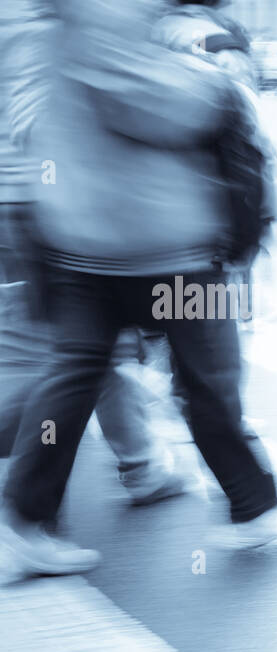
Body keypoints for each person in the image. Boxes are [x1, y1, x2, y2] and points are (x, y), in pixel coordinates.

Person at [0, 0, 277, 576]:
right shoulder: (103, 10)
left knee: (74, 374)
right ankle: (255, 506)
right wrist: (212, 87)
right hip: (158, 241)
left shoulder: (37, 21)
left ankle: (24, 518)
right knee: (211, 376)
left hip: (81, 234)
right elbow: (151, 103)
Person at [0, 0, 188, 510]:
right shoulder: (51, 22)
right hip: (38, 205)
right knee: (77, 352)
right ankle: (132, 465)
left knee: (84, 349)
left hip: (33, 201)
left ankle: (137, 461)